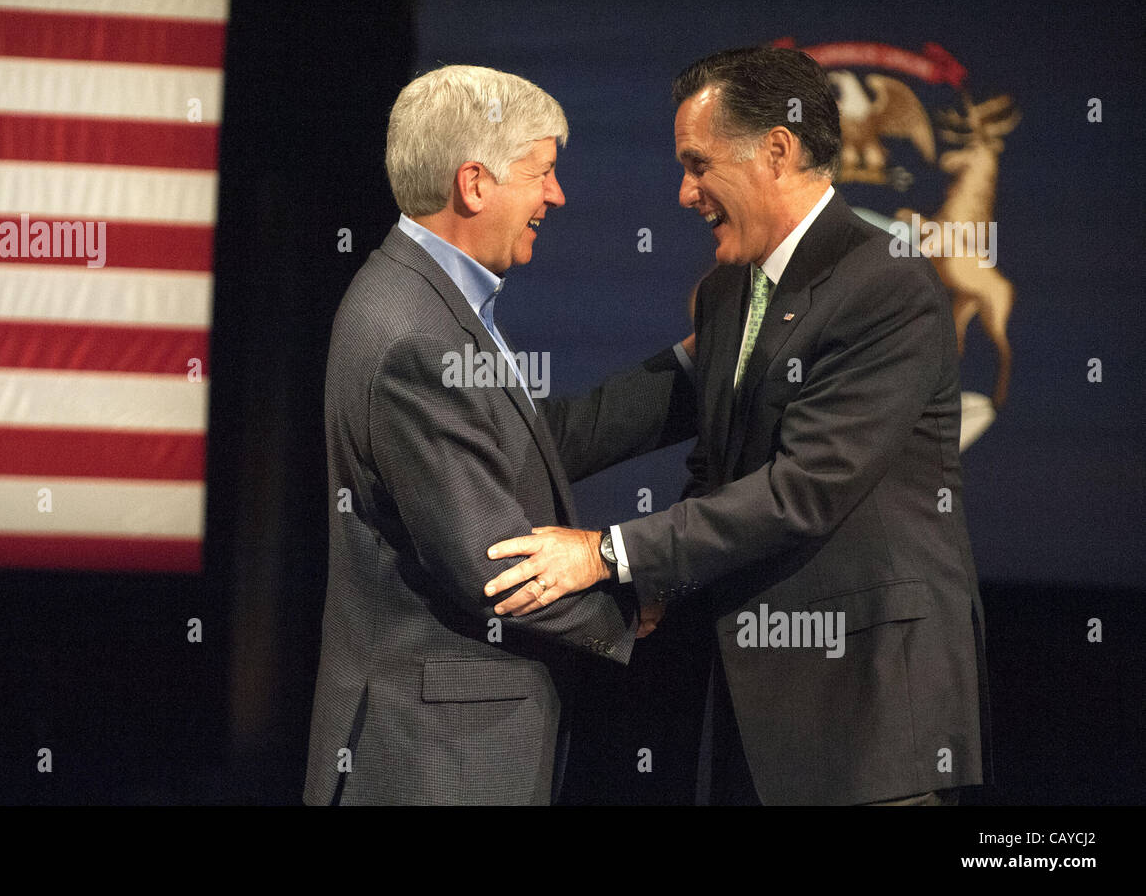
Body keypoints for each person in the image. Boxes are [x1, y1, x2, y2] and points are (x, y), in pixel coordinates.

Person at [483, 47, 990, 806]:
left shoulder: (887, 283)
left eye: (697, 163)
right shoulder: (729, 289)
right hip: (761, 706)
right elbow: (644, 419)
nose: (685, 192)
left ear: (777, 150)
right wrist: (468, 443)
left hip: (871, 710)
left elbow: (802, 491)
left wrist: (608, 553)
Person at [304, 64, 695, 805]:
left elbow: (528, 450)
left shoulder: (425, 293)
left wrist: (687, 373)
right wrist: (632, 588)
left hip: (445, 744)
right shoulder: (414, 332)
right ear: (475, 184)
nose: (557, 195)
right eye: (542, 172)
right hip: (435, 760)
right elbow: (491, 564)